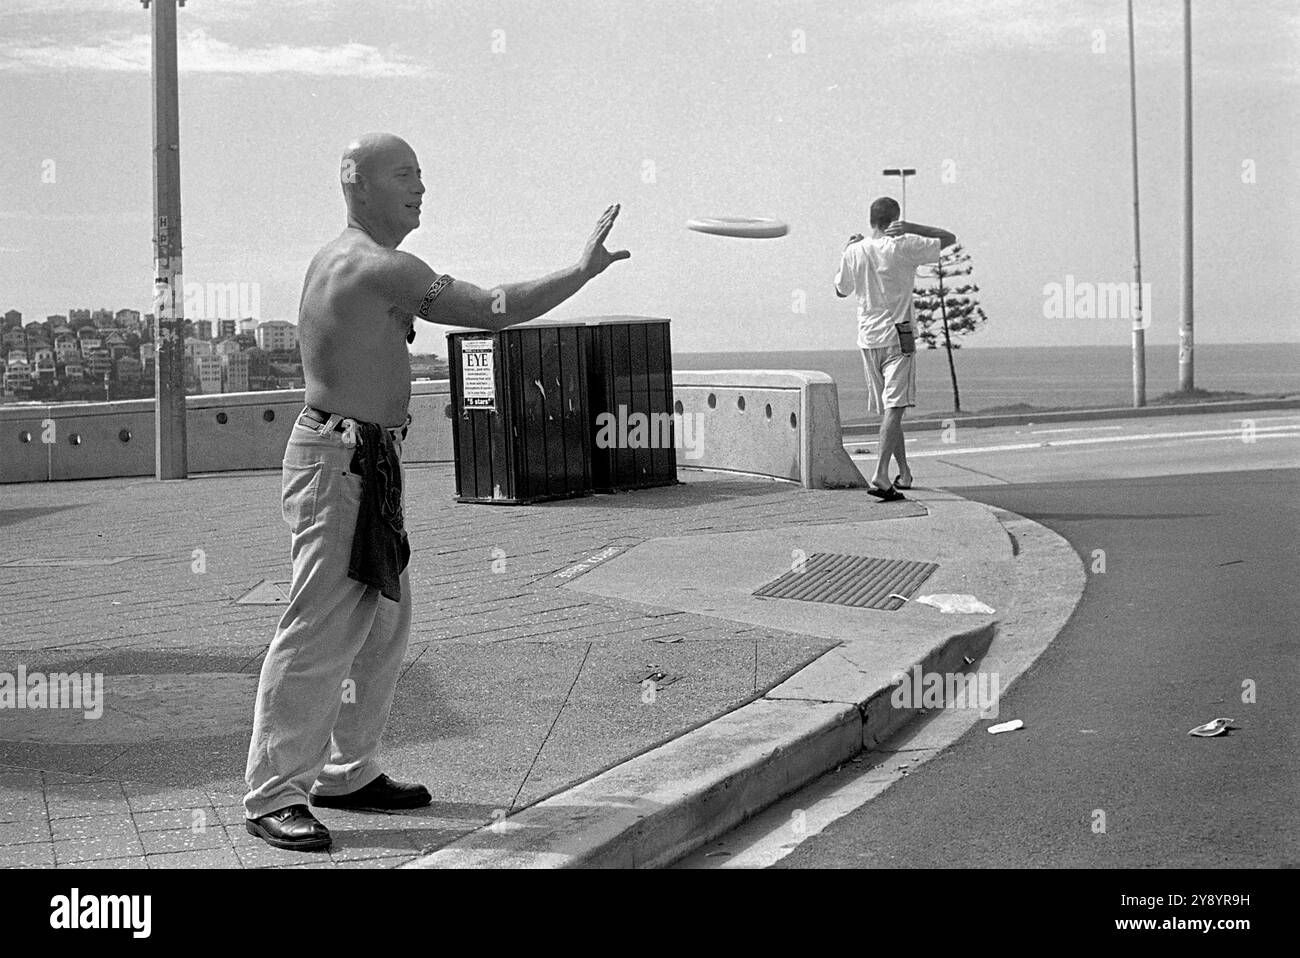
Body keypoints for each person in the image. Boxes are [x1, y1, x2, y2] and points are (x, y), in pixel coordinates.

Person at [243, 132, 630, 851]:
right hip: (340, 463)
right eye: (402, 175)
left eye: (421, 173)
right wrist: (582, 269)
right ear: (356, 182)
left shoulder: (350, 260)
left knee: (383, 624)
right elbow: (494, 307)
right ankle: (272, 793)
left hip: (362, 459)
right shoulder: (378, 266)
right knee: (319, 628)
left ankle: (345, 772)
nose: (419, 187)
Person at [834, 196, 955, 500]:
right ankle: (879, 475)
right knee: (895, 408)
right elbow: (949, 239)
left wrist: (845, 252)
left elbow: (840, 289)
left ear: (871, 220)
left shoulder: (854, 250)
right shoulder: (903, 245)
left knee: (890, 410)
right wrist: (912, 227)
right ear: (896, 220)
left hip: (867, 339)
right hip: (899, 337)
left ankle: (905, 472)